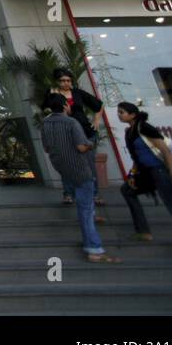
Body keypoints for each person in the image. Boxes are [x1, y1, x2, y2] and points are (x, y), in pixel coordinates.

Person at [117, 102, 172, 263]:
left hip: (160, 171)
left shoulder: (145, 128)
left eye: (122, 112)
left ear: (133, 114)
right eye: (118, 112)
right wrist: (132, 175)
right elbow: (136, 157)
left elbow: (166, 152)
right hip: (147, 173)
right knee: (127, 190)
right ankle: (143, 230)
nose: (119, 114)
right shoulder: (130, 132)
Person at [41, 95, 118, 263]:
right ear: (65, 106)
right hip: (79, 169)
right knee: (86, 209)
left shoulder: (45, 124)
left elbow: (46, 148)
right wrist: (91, 144)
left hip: (62, 168)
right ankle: (94, 249)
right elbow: (81, 146)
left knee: (84, 206)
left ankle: (92, 244)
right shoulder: (71, 123)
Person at [50, 67, 105, 206]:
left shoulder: (78, 93)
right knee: (67, 164)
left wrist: (96, 121)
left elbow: (98, 105)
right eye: (62, 81)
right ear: (57, 82)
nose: (66, 83)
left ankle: (95, 194)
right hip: (66, 134)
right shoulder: (53, 96)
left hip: (85, 132)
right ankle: (68, 193)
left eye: (68, 80)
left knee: (89, 165)